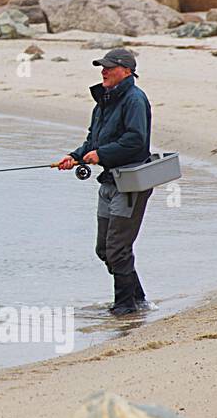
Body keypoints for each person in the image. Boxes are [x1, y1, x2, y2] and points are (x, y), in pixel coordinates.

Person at [55, 48, 153, 316]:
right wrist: (75, 157)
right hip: (109, 182)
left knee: (117, 249)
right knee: (104, 249)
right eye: (102, 67)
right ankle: (138, 299)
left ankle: (125, 309)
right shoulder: (104, 101)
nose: (103, 71)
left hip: (131, 182)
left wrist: (101, 154)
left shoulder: (134, 99)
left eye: (109, 67)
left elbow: (135, 140)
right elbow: (93, 140)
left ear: (127, 71)